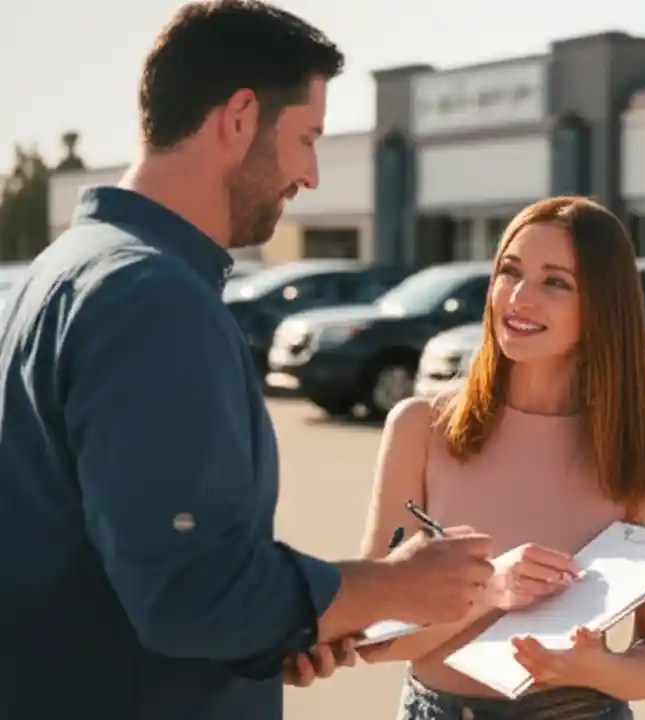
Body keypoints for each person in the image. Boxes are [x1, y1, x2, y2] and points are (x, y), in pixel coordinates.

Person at [0, 3, 494, 719]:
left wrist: (291, 623)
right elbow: (190, 593)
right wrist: (392, 586)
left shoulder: (65, 269)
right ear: (237, 117)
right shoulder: (151, 296)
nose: (313, 175)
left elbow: (123, 556)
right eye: (306, 139)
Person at [356, 196, 645, 720]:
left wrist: (591, 666)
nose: (518, 297)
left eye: (554, 281)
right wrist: (491, 590)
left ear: (603, 306)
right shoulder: (419, 429)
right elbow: (373, 638)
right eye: (509, 271)